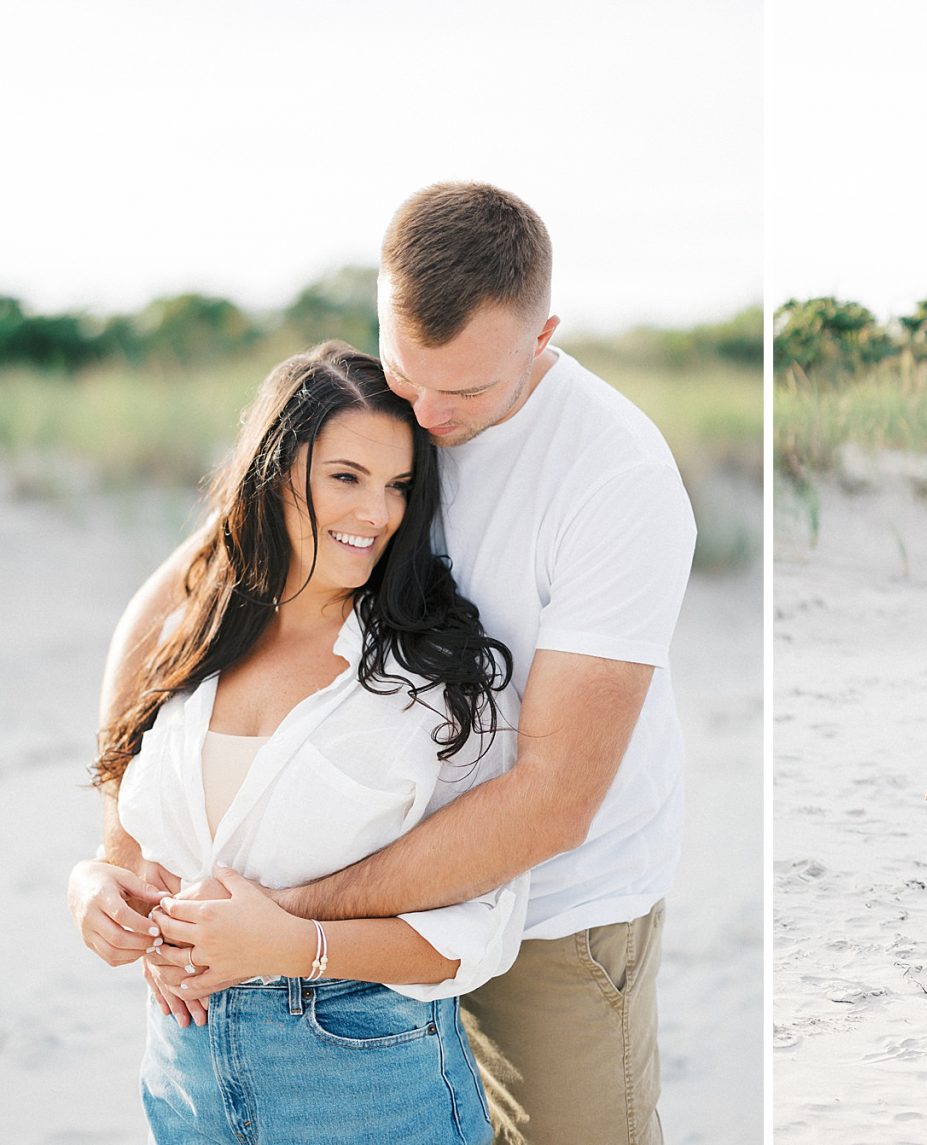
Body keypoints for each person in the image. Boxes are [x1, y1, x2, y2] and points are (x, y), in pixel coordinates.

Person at [68, 183, 696, 1145]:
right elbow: (170, 604)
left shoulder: (616, 478)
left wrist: (286, 923)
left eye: (469, 390)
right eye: (413, 374)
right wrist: (121, 851)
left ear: (543, 336)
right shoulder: (371, 414)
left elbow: (555, 796)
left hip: (553, 914)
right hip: (350, 902)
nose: (432, 415)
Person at [69, 342, 526, 1142]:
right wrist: (95, 885)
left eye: (397, 487)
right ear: (275, 473)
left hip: (366, 1079)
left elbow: (480, 930)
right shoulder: (190, 637)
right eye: (345, 477)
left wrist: (300, 944)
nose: (376, 513)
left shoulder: (439, 678)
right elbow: (139, 836)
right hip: (186, 1077)